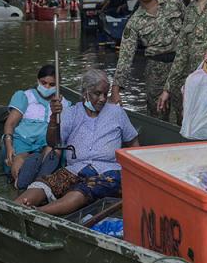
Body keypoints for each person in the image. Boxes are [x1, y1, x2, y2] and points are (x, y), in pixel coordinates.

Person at [15, 69, 139, 215]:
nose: (102, 99)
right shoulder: (71, 113)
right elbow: (53, 142)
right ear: (85, 92)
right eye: (97, 93)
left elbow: (134, 144)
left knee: (85, 189)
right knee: (46, 183)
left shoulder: (117, 113)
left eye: (105, 94)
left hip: (109, 171)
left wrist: (134, 176)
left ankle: (39, 212)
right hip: (75, 169)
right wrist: (54, 117)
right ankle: (14, 207)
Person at [111, 0, 184, 120]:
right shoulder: (134, 22)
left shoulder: (174, 2)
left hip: (181, 66)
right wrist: (116, 90)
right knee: (158, 116)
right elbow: (125, 56)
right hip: (155, 71)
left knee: (186, 114)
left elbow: (190, 29)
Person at [2, 64, 71, 189]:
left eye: (51, 85)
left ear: (58, 85)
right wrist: (9, 146)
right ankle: (20, 181)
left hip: (46, 142)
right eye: (43, 83)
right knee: (20, 159)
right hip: (23, 141)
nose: (46, 87)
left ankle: (39, 181)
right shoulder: (25, 96)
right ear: (37, 80)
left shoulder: (63, 103)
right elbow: (10, 124)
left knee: (54, 150)